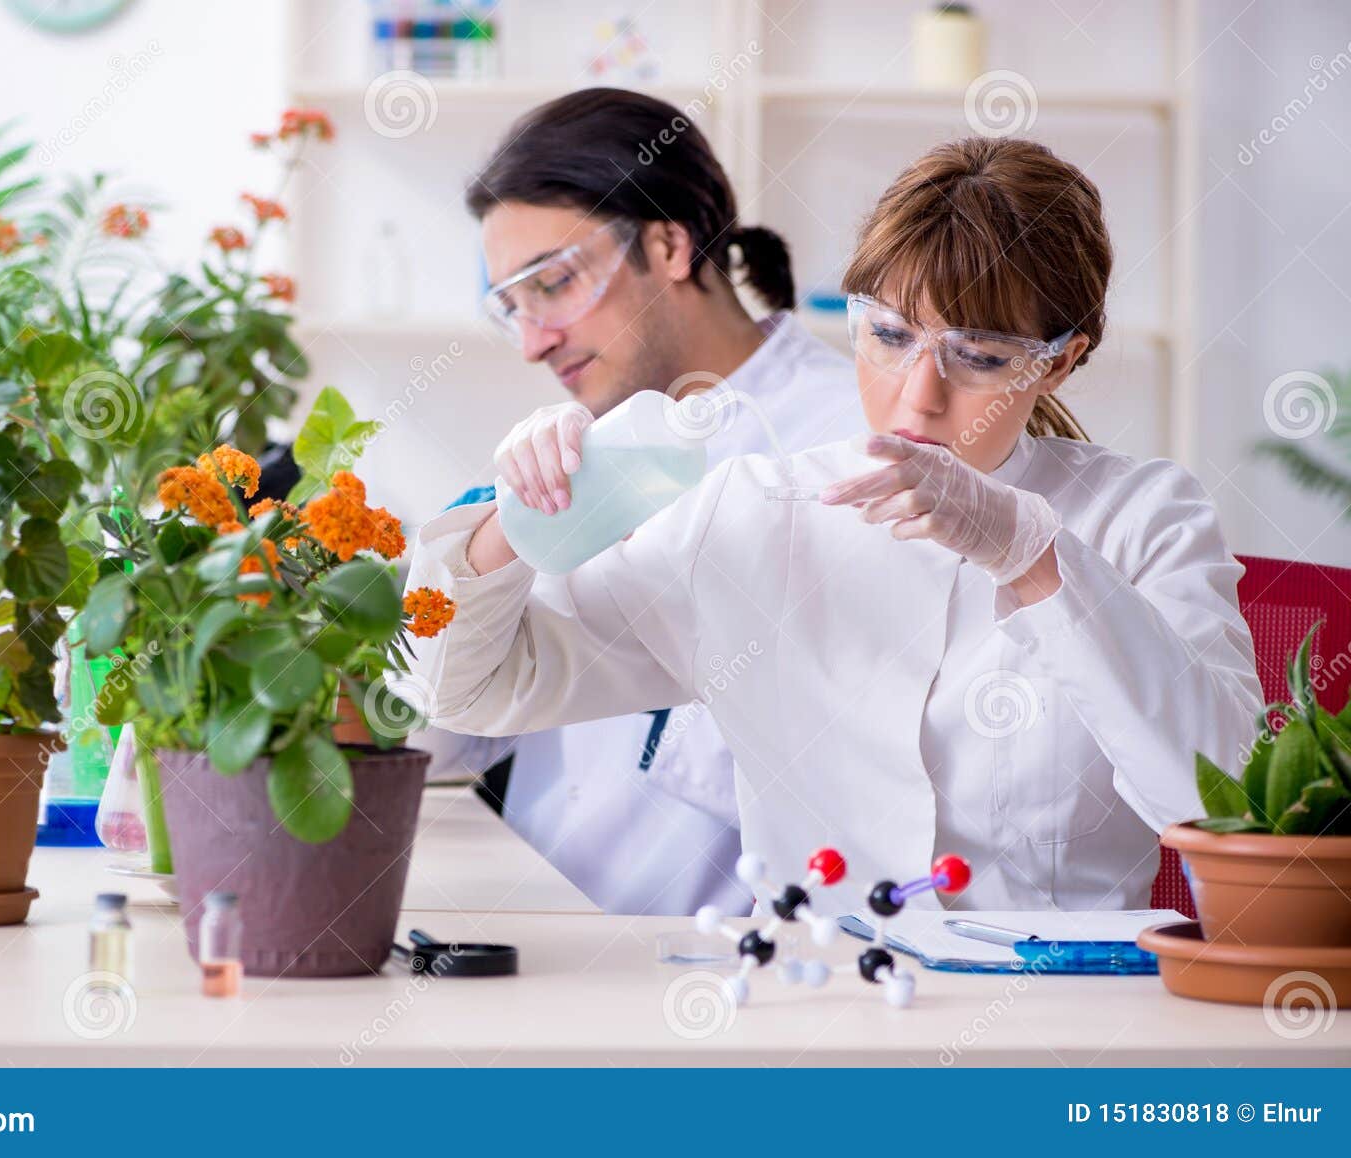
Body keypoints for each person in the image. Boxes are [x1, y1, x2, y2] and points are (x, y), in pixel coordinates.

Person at [405, 136, 1264, 912]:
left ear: (1061, 360)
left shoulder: (1145, 517)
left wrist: (1035, 560)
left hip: (1053, 1018)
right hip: (819, 1005)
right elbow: (466, 693)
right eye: (887, 336)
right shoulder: (752, 515)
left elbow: (1227, 807)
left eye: (979, 357)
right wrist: (512, 524)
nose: (919, 396)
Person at [408, 88, 863, 916]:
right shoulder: (580, 446)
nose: (531, 340)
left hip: (698, 974)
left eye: (553, 283)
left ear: (668, 244)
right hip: (530, 935)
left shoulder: (844, 442)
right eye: (511, 304)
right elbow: (439, 734)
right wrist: (491, 538)